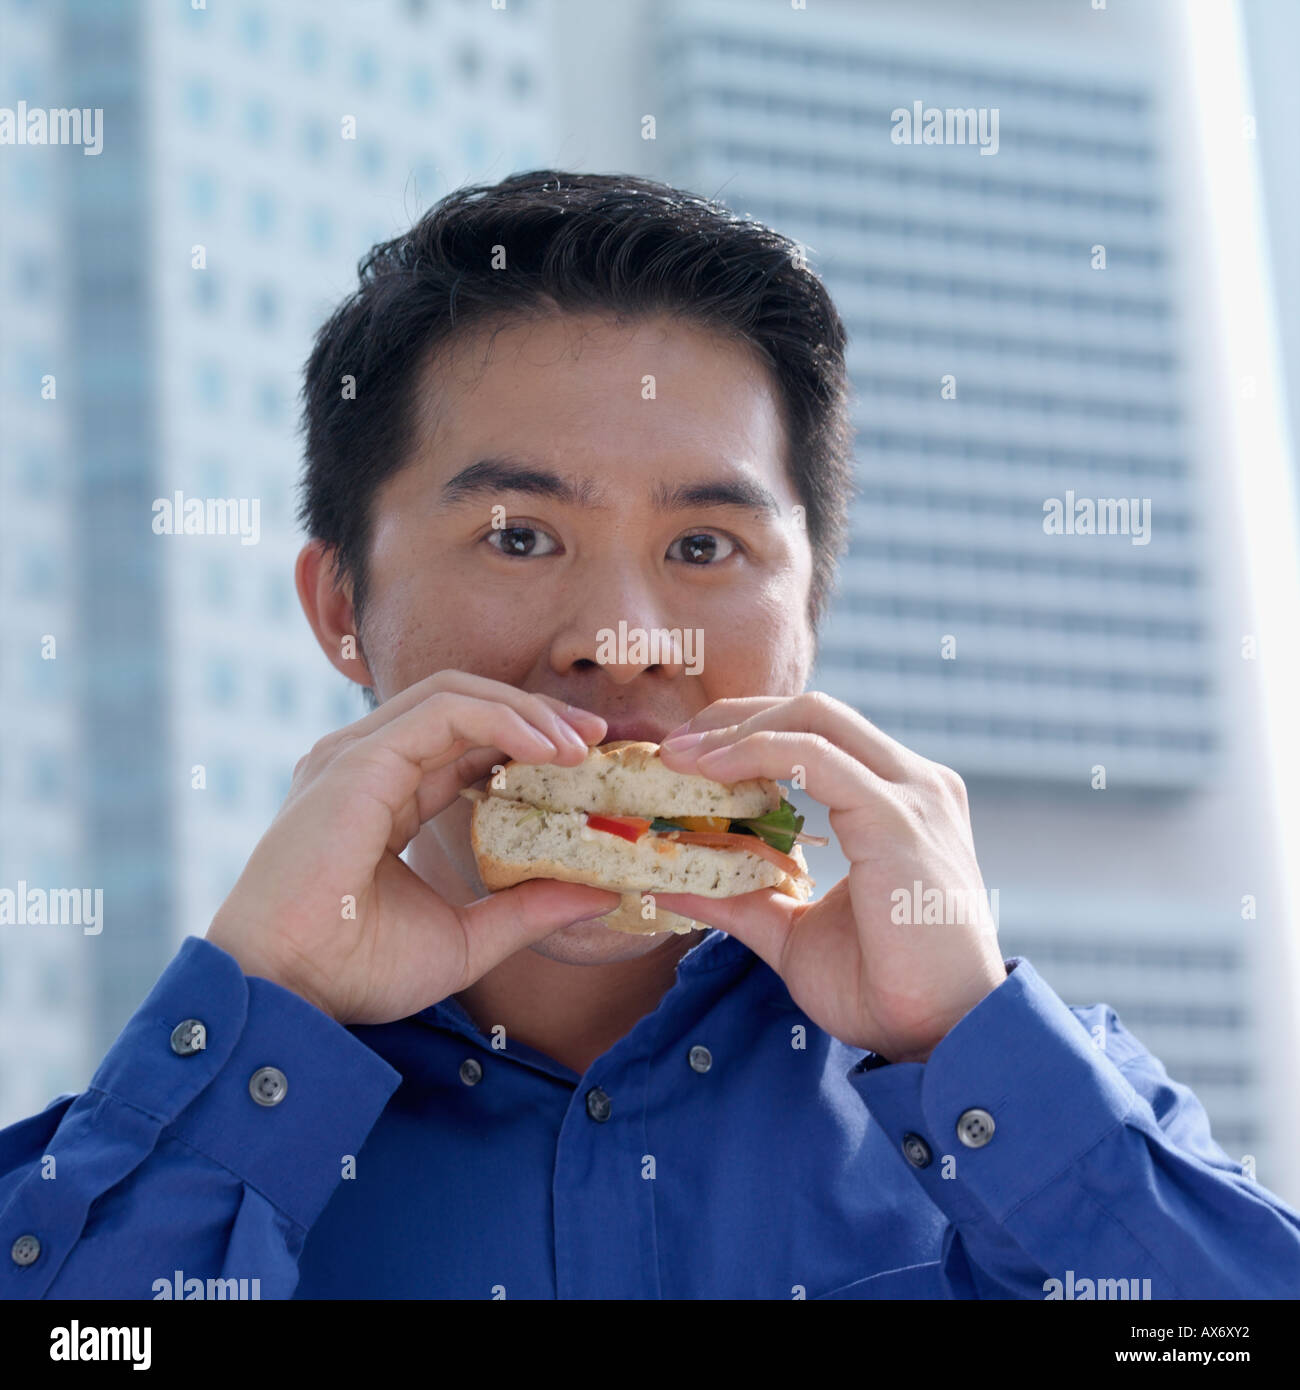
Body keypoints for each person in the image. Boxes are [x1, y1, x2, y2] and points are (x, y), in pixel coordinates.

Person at [3, 171, 1298, 1300]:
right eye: (519, 534)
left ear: (808, 618)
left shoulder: (1020, 1095)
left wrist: (963, 1041)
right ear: (343, 606)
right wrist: (255, 1020)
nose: (624, 639)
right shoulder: (149, 1148)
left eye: (702, 546)